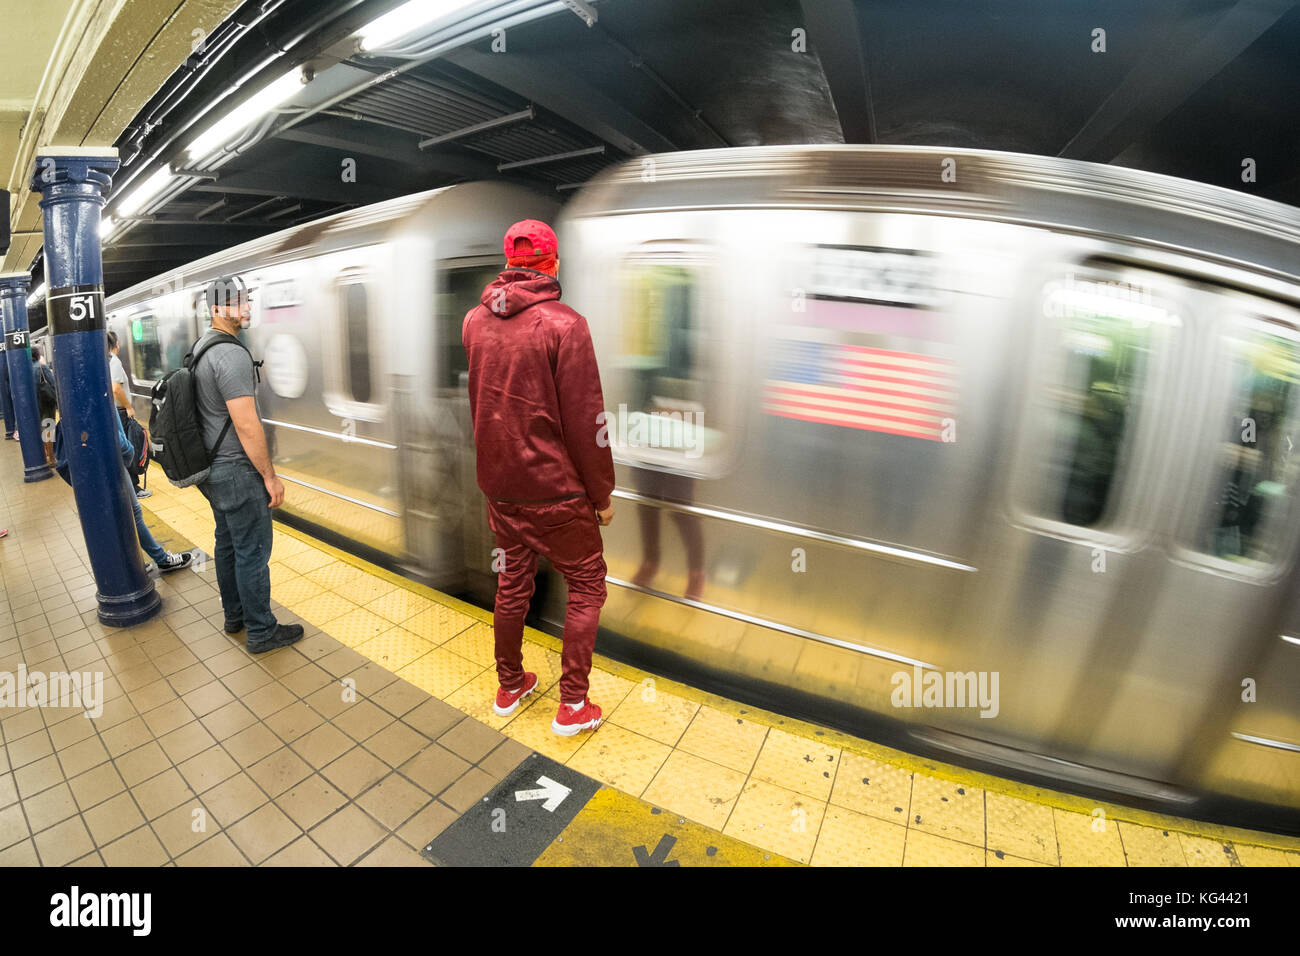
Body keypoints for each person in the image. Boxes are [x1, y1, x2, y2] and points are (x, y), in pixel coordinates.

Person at [462, 219, 615, 736]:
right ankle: (573, 705)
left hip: (501, 490)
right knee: (588, 584)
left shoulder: (472, 323)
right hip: (557, 490)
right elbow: (587, 419)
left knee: (512, 583)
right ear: (551, 265)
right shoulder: (565, 324)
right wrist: (602, 494)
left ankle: (510, 686)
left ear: (508, 264)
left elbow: (481, 405)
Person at [193, 275, 302, 653]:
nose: (246, 307)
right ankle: (261, 631)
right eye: (238, 302)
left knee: (227, 544)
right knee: (252, 550)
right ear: (217, 309)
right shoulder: (231, 353)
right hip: (237, 471)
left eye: (246, 300)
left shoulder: (202, 347)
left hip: (212, 470)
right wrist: (269, 477)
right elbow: (245, 422)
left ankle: (235, 616)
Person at [116, 405, 191, 574]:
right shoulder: (102, 396)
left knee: (115, 516)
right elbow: (121, 444)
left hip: (91, 469)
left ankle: (129, 563)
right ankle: (161, 559)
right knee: (133, 513)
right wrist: (129, 458)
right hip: (114, 466)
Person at [107, 330, 149, 498]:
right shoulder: (114, 361)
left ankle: (130, 486)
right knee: (129, 447)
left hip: (115, 411)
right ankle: (134, 488)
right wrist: (128, 407)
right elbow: (116, 388)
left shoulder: (104, 360)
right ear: (116, 344)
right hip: (121, 412)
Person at [32, 347, 57, 465]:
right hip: (46, 402)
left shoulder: (27, 369)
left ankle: (44, 455)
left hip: (35, 403)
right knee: (48, 428)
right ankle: (52, 458)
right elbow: (53, 383)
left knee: (39, 428)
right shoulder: (42, 367)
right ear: (38, 355)